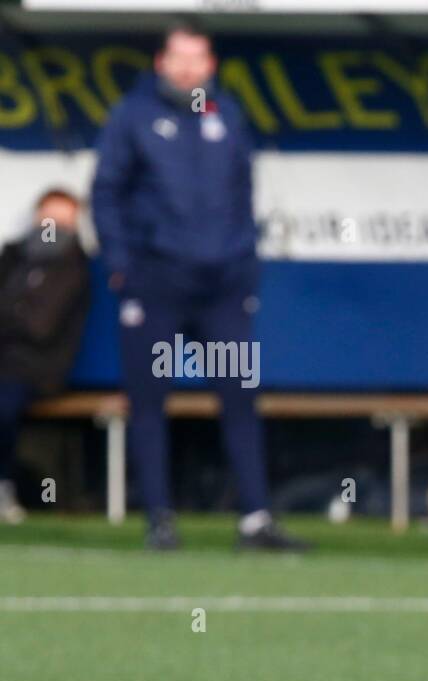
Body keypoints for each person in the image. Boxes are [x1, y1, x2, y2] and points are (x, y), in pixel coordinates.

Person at [91, 20, 306, 551]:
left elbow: (243, 192)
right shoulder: (133, 116)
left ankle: (254, 519)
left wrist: (245, 265)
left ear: (210, 65)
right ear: (161, 63)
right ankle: (159, 519)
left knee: (238, 398)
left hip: (223, 291)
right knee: (148, 402)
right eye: (179, 59)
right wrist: (123, 268)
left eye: (198, 60)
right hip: (157, 286)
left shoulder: (225, 114)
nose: (189, 69)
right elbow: (106, 193)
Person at [0, 189, 92, 524]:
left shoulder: (72, 267)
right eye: (48, 219)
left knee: (4, 403)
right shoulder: (13, 257)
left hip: (38, 370)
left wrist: (11, 315)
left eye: (62, 221)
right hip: (6, 362)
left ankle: (4, 486)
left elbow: (40, 328)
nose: (53, 228)